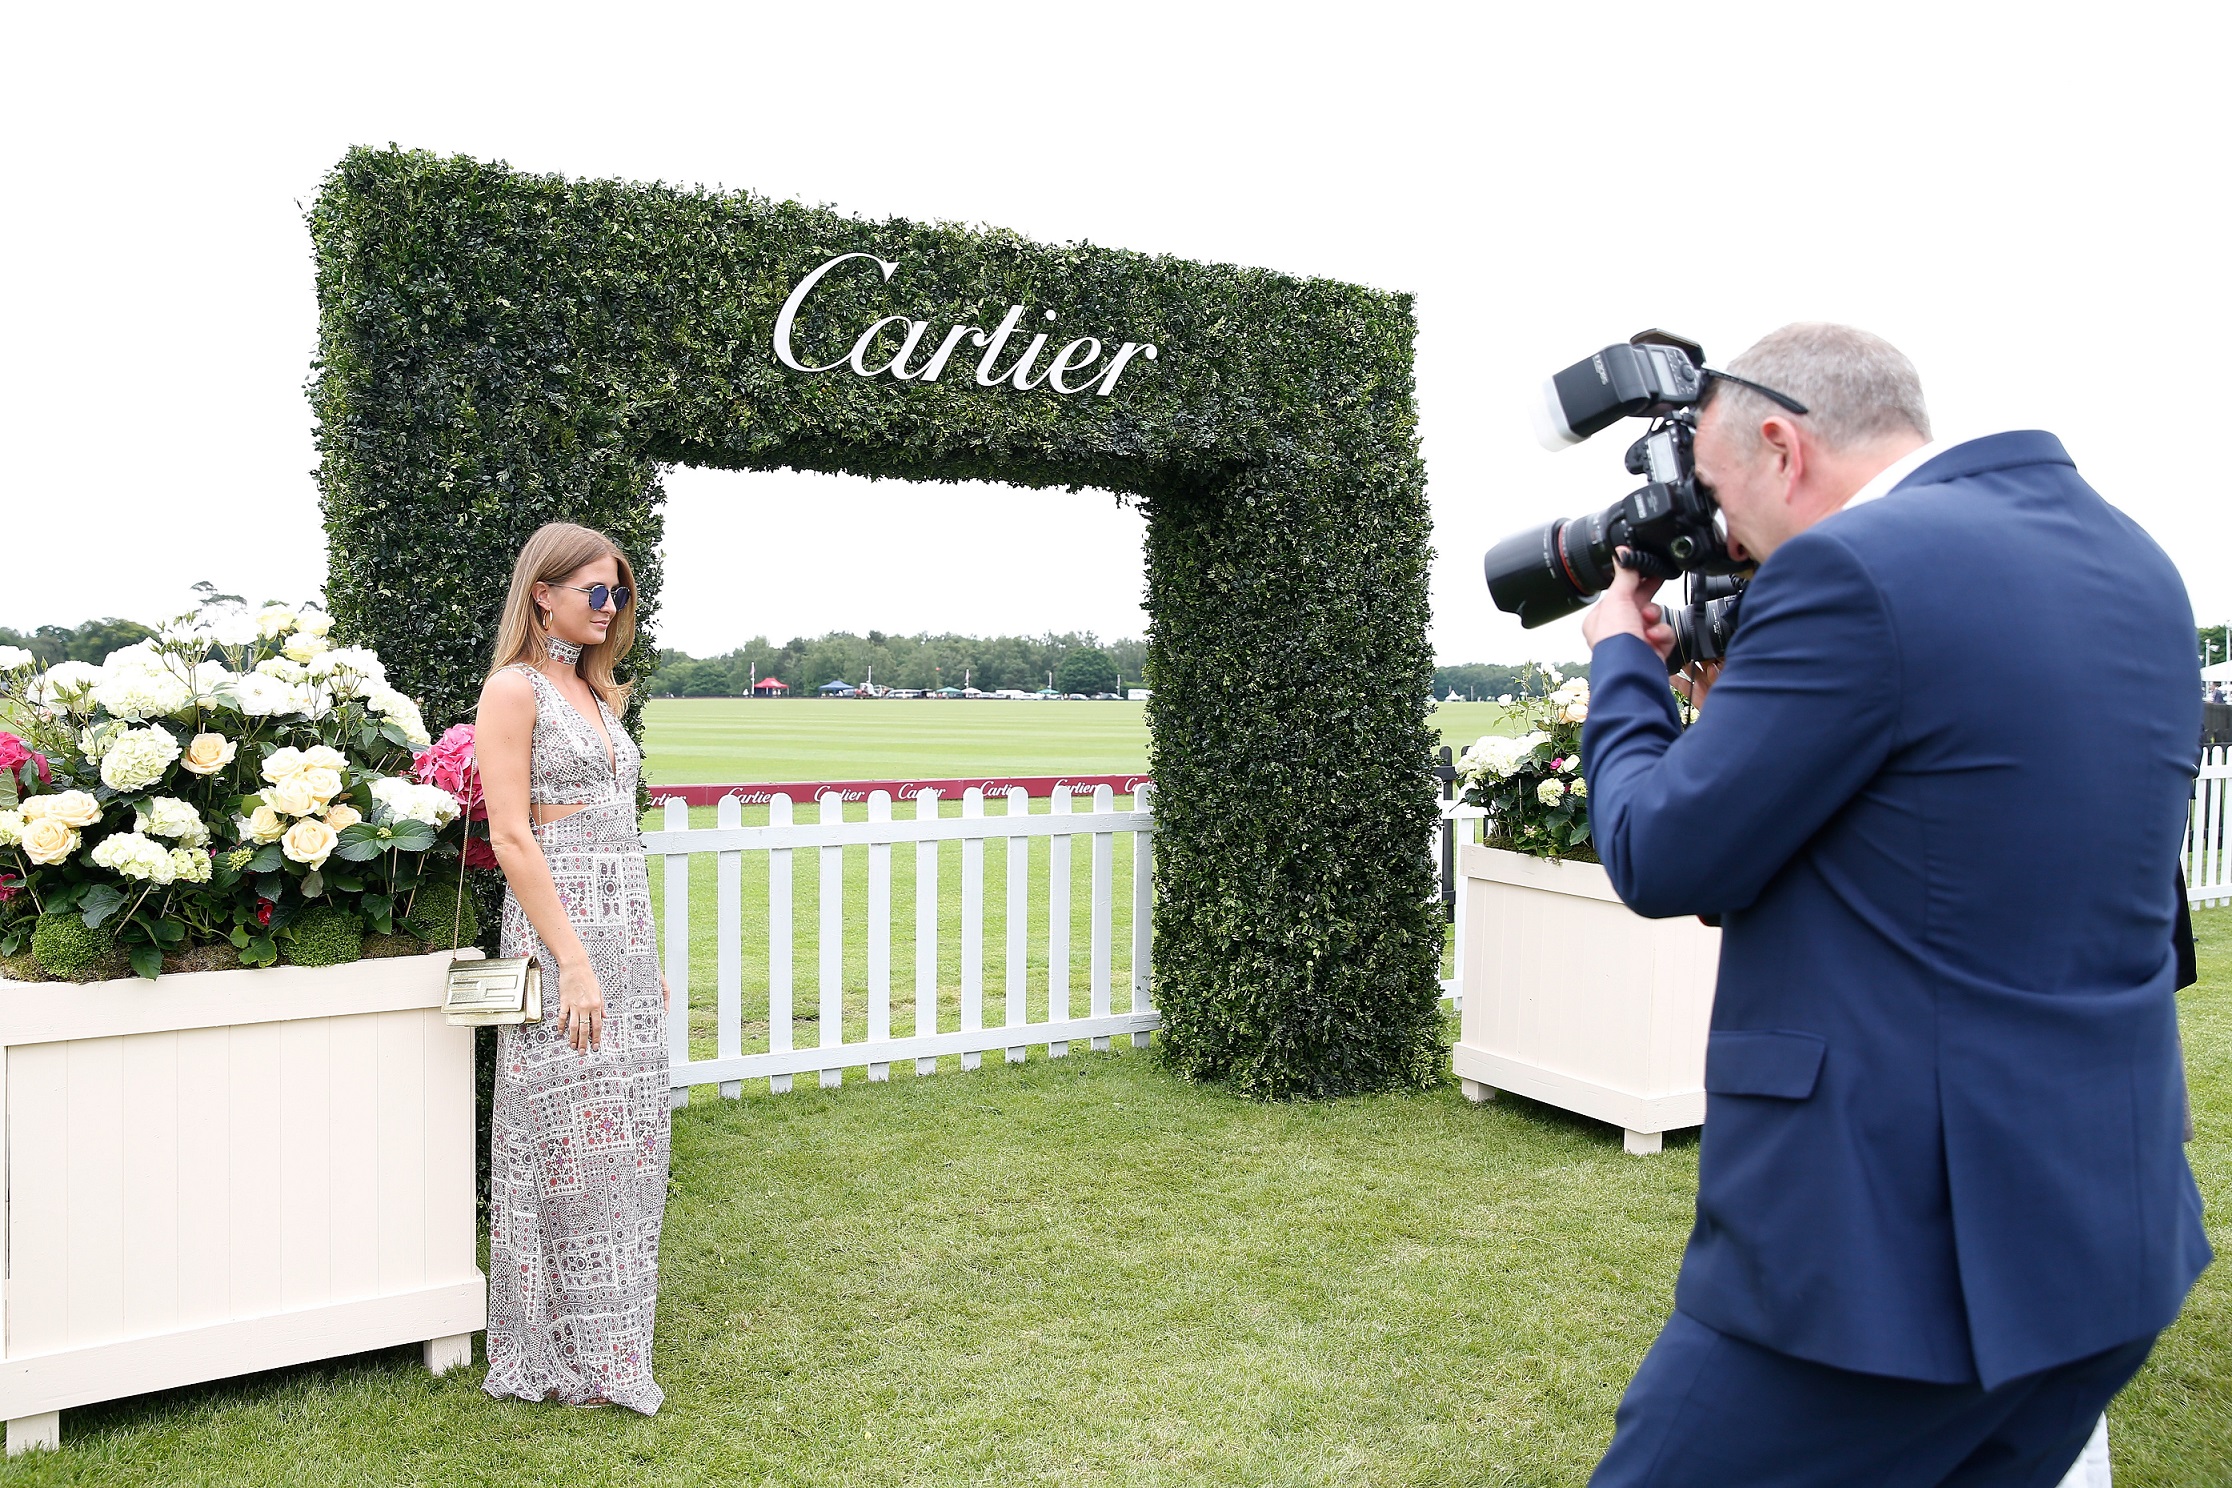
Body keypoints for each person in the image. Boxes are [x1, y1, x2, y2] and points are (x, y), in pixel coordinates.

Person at [1576, 324, 2209, 1485]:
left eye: (1719, 501)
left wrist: (1621, 659)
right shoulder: (2134, 561)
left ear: (1782, 445)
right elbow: (1945, 842)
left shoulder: (1851, 572)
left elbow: (1662, 853)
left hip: (1890, 1266)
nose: (1726, 540)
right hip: (2106, 1239)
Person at [475, 521, 671, 1413]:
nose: (610, 605)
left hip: (622, 926)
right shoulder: (513, 690)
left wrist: (642, 958)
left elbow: (620, 831)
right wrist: (576, 964)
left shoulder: (600, 692)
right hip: (562, 927)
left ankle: (615, 1344)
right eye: (594, 589)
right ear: (542, 591)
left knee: (626, 1147)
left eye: (619, 592)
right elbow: (513, 834)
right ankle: (554, 1346)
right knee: (560, 1141)